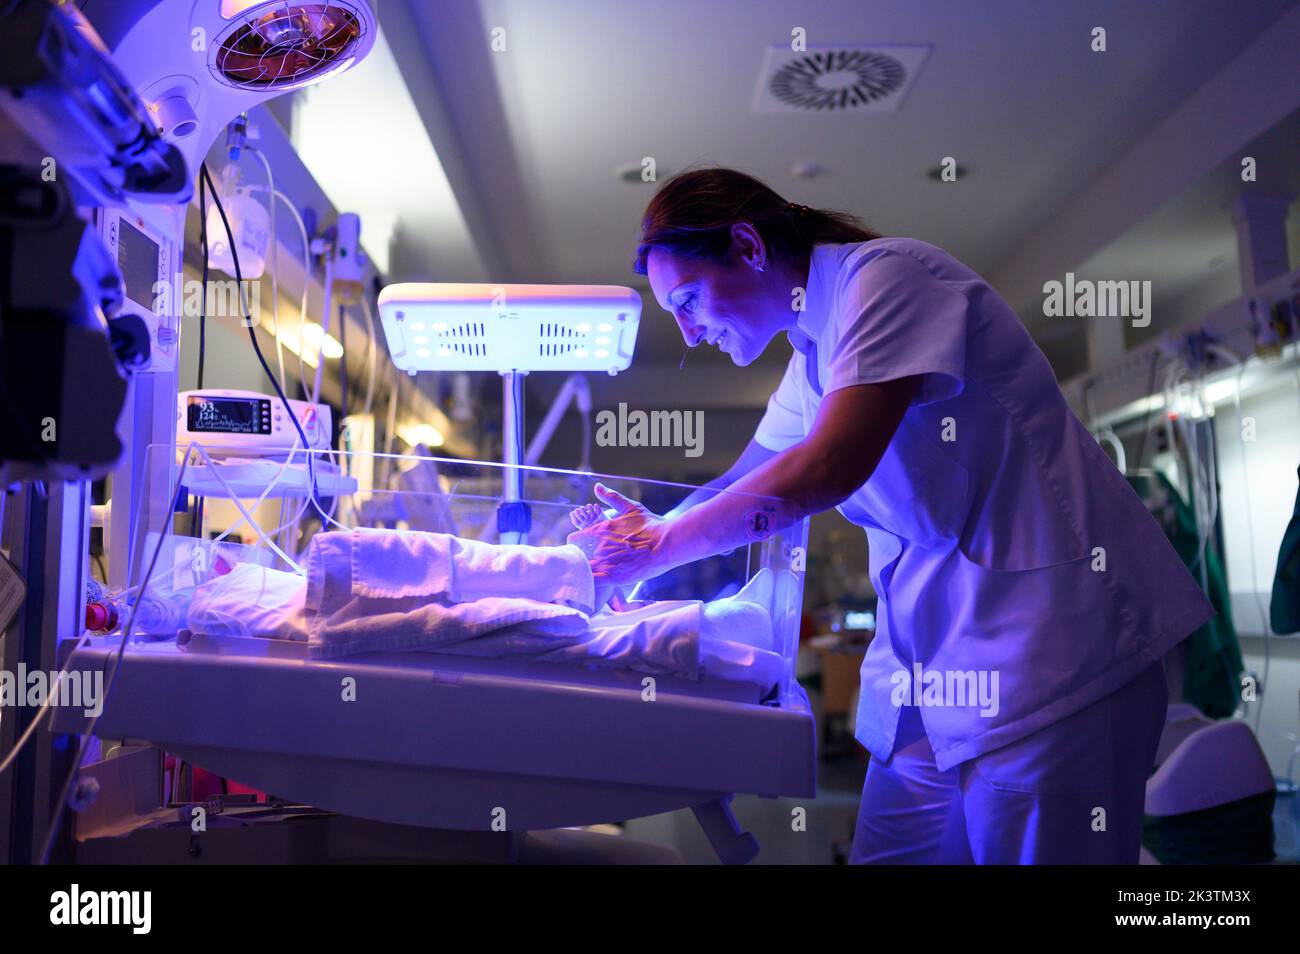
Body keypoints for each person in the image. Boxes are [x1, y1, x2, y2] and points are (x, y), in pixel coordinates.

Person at [567, 167, 1215, 864]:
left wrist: (658, 548)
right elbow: (742, 481)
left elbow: (827, 467)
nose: (690, 336)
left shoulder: (886, 281)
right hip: (926, 683)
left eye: (689, 301)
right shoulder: (812, 360)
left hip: (1050, 666)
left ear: (749, 247)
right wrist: (650, 528)